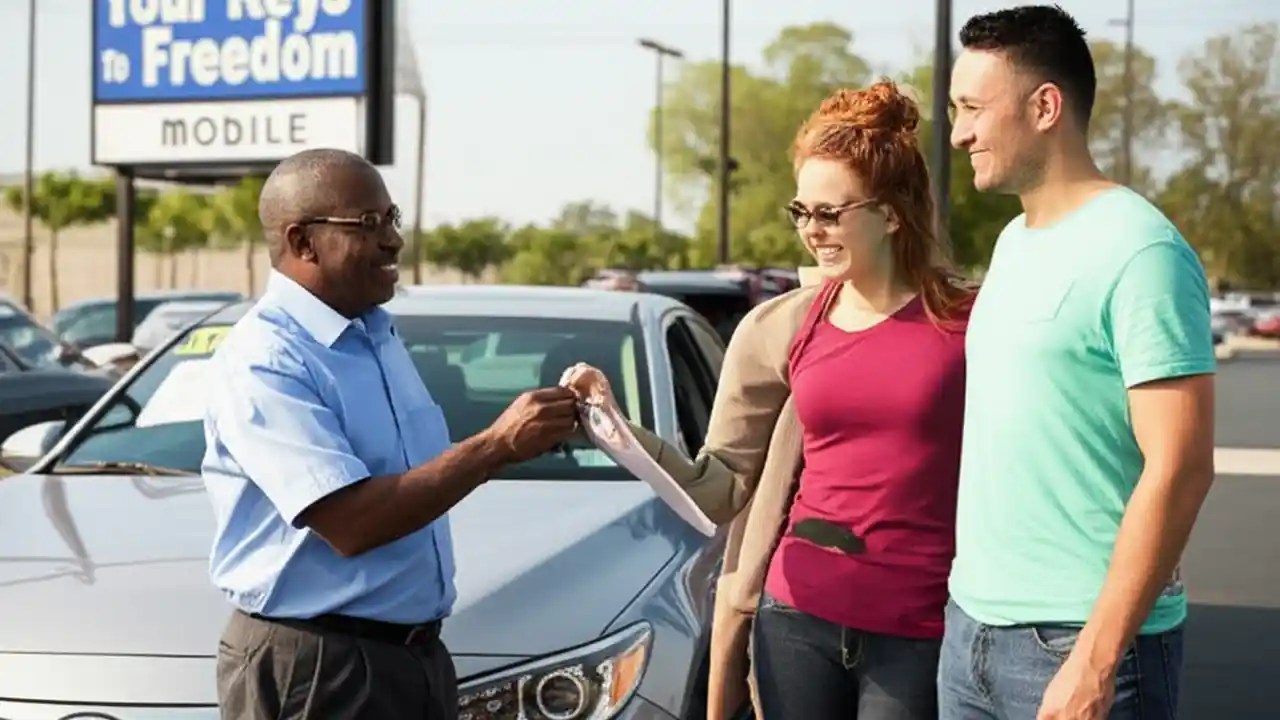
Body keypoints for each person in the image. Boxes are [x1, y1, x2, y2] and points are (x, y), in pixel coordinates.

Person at [564, 80, 974, 720]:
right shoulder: (780, 326)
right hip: (795, 618)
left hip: (919, 628)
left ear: (892, 212)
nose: (811, 231)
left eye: (831, 212)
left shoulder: (968, 322)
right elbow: (719, 486)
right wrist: (615, 425)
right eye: (802, 211)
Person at [200, 148, 579, 720]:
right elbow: (351, 523)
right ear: (302, 242)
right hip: (321, 667)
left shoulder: (375, 334)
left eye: (392, 218)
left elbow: (413, 483)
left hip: (410, 660)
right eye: (368, 225)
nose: (394, 240)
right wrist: (496, 445)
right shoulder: (265, 359)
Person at [942, 6, 1217, 720]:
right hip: (970, 632)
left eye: (973, 109)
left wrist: (1094, 661)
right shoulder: (1012, 241)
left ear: (1044, 106)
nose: (958, 133)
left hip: (1081, 650)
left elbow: (1182, 466)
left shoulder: (1142, 251)